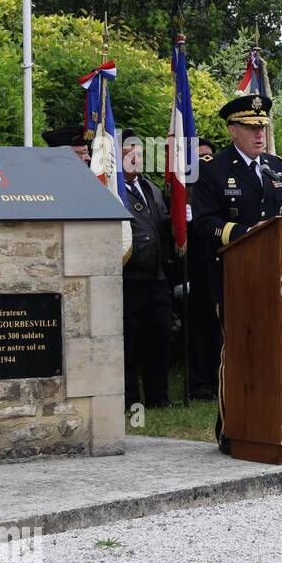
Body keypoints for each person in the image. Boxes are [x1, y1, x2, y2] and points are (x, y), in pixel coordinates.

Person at [191, 94, 282, 452]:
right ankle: (232, 428)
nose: (259, 134)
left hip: (277, 275)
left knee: (273, 349)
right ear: (233, 130)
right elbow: (204, 224)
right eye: (251, 128)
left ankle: (269, 423)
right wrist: (244, 234)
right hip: (234, 275)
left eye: (262, 127)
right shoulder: (213, 171)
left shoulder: (277, 168)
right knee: (238, 351)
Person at [119, 134, 172, 410]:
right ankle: (129, 398)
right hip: (130, 276)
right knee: (129, 341)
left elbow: (161, 221)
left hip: (157, 275)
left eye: (139, 153)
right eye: (129, 154)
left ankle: (158, 396)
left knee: (159, 336)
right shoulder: (113, 188)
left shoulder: (151, 187)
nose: (135, 159)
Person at [186, 137, 222, 400]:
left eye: (208, 156)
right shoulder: (180, 191)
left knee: (219, 328)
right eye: (199, 158)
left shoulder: (216, 187)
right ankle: (200, 384)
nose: (205, 161)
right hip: (194, 268)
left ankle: (218, 378)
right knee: (199, 328)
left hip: (220, 263)